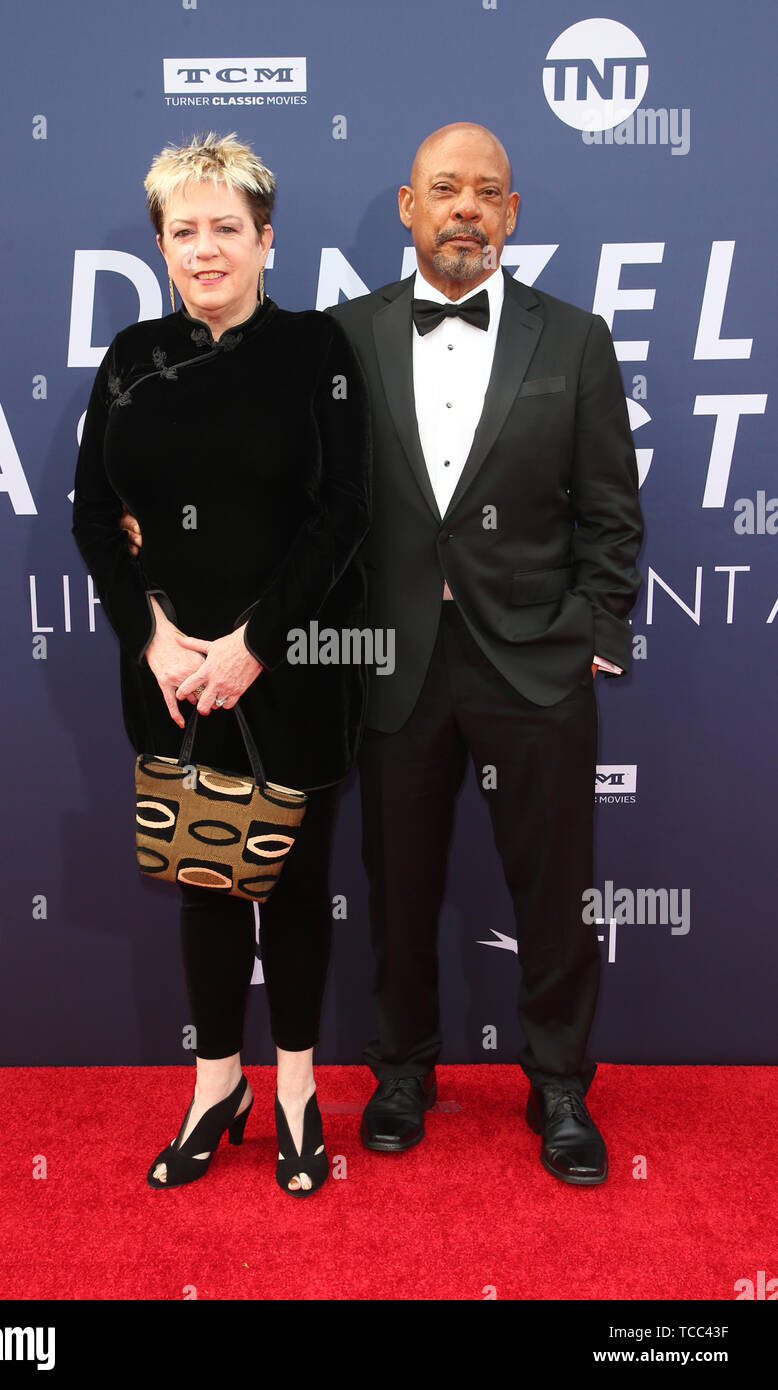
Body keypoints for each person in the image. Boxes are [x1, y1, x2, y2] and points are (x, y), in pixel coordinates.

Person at [325, 122, 644, 1183]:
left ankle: (557, 1086)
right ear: (407, 207)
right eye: (444, 189)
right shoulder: (342, 337)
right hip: (392, 659)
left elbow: (610, 509)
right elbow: (305, 503)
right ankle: (403, 1072)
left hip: (537, 659)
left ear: (513, 213)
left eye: (487, 192)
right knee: (397, 883)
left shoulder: (576, 337)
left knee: (554, 892)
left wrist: (598, 631)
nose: (466, 207)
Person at [72, 132, 370, 1196]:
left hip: (290, 670)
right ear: (161, 244)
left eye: (226, 230)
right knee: (202, 880)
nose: (206, 250)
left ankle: (293, 1088)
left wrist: (254, 645)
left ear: (265, 240)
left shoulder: (317, 351)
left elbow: (342, 514)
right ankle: (214, 1084)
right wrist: (152, 635)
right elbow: (91, 515)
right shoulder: (130, 357)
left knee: (289, 883)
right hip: (165, 673)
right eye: (184, 232)